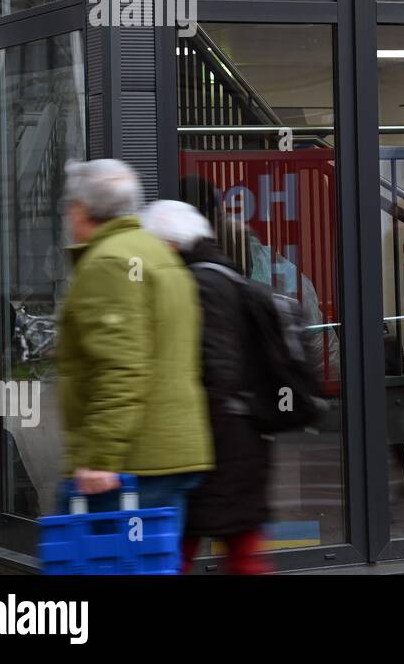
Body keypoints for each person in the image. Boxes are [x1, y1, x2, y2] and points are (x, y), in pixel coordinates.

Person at [55, 160, 212, 557]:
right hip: (170, 454)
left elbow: (121, 368)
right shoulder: (156, 252)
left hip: (132, 463)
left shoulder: (109, 262)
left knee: (98, 564)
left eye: (69, 206)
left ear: (81, 209)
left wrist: (100, 458)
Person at [142, 200, 273, 575]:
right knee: (241, 553)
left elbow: (217, 368)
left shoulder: (199, 285)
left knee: (176, 554)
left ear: (170, 244)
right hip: (241, 441)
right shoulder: (227, 276)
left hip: (216, 445)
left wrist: (191, 435)